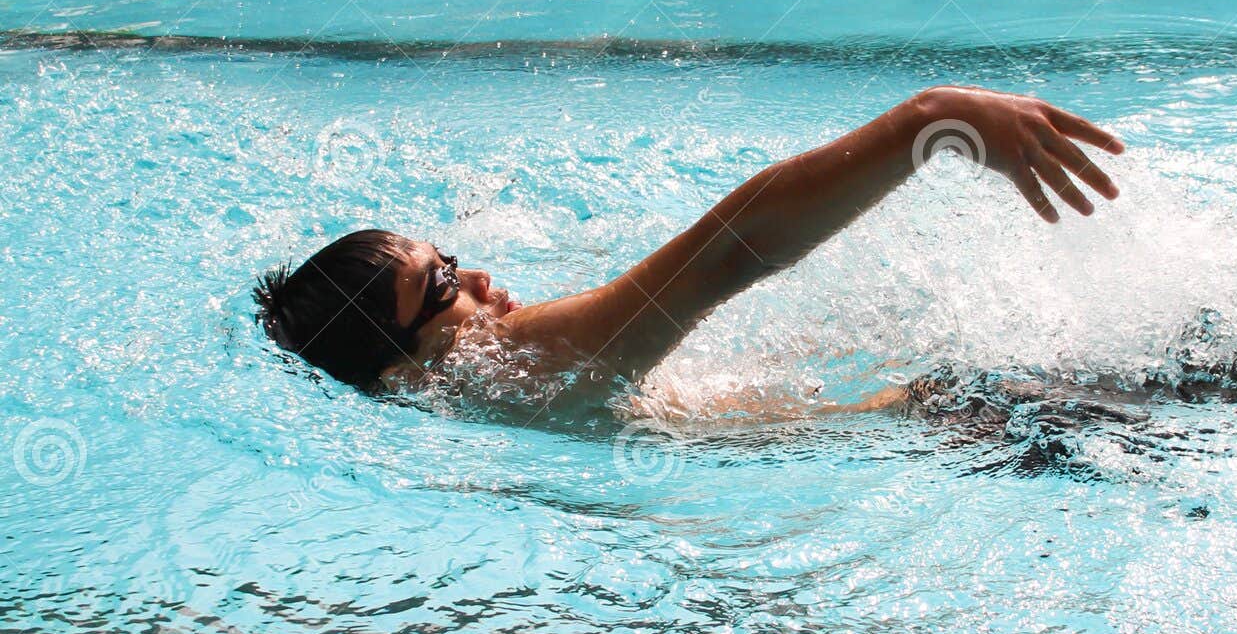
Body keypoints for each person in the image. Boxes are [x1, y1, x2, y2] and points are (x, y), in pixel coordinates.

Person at [253, 86, 1126, 409]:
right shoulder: (513, 361)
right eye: (444, 286)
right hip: (970, 426)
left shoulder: (486, 405)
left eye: (454, 258)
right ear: (404, 373)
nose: (479, 277)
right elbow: (728, 254)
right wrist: (928, 121)